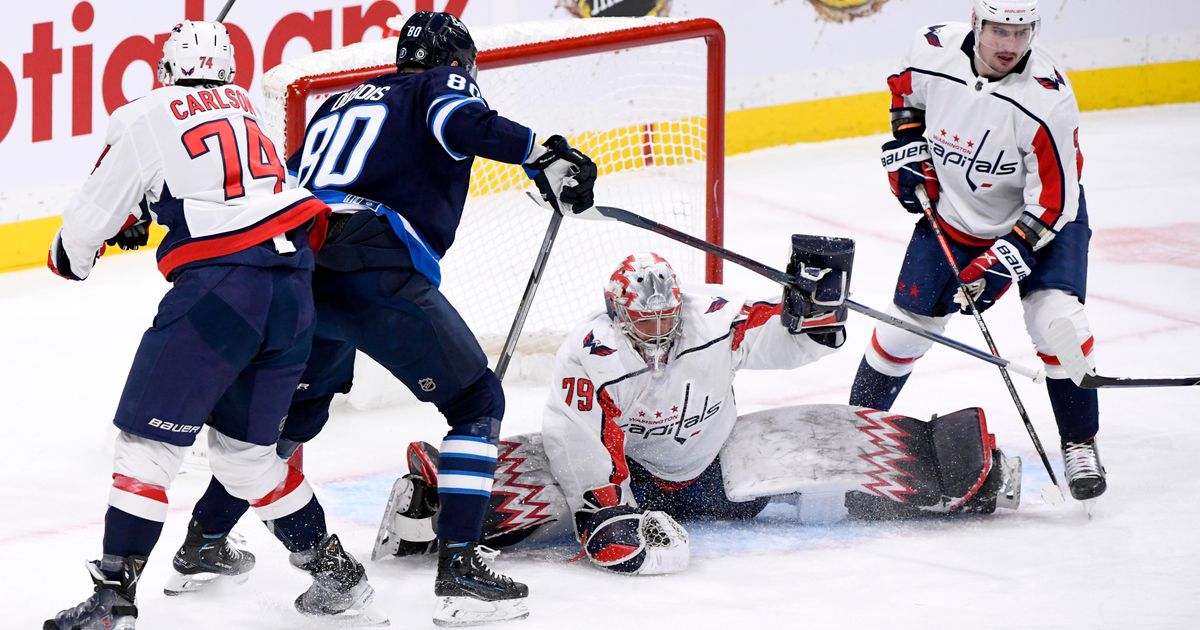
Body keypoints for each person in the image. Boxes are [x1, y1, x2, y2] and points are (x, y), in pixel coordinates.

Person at [158, 10, 597, 626]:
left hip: (302, 269)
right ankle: (463, 569)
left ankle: (204, 543)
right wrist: (542, 154)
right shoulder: (436, 84)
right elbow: (461, 120)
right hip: (373, 260)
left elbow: (279, 181)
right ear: (456, 62)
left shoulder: (334, 103)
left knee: (288, 419)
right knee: (475, 402)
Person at [374, 247, 1023, 576]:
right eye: (642, 319)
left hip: (718, 473)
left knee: (825, 437)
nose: (657, 331)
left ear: (677, 304)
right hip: (627, 474)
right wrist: (605, 510)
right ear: (617, 312)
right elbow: (574, 438)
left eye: (664, 317)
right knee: (534, 479)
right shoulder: (590, 353)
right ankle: (429, 512)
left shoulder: (711, 319)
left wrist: (811, 316)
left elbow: (782, 342)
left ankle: (959, 464)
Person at [44, 21, 383, 630]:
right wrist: (148, 212)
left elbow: (83, 231)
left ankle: (112, 598)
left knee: (148, 447)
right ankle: (338, 575)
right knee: (247, 459)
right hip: (294, 290)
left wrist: (74, 253)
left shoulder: (144, 111)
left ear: (165, 68)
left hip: (223, 293)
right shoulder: (248, 105)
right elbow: (228, 191)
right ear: (228, 70)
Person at [849, 0, 1106, 501]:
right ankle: (856, 432)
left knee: (1059, 323)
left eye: (1022, 32)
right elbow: (907, 97)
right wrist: (909, 150)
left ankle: (1080, 443)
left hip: (1041, 219)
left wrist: (1000, 264)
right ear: (975, 23)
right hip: (955, 211)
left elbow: (1053, 205)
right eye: (998, 31)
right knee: (903, 331)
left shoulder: (1047, 101)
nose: (1010, 45)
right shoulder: (930, 48)